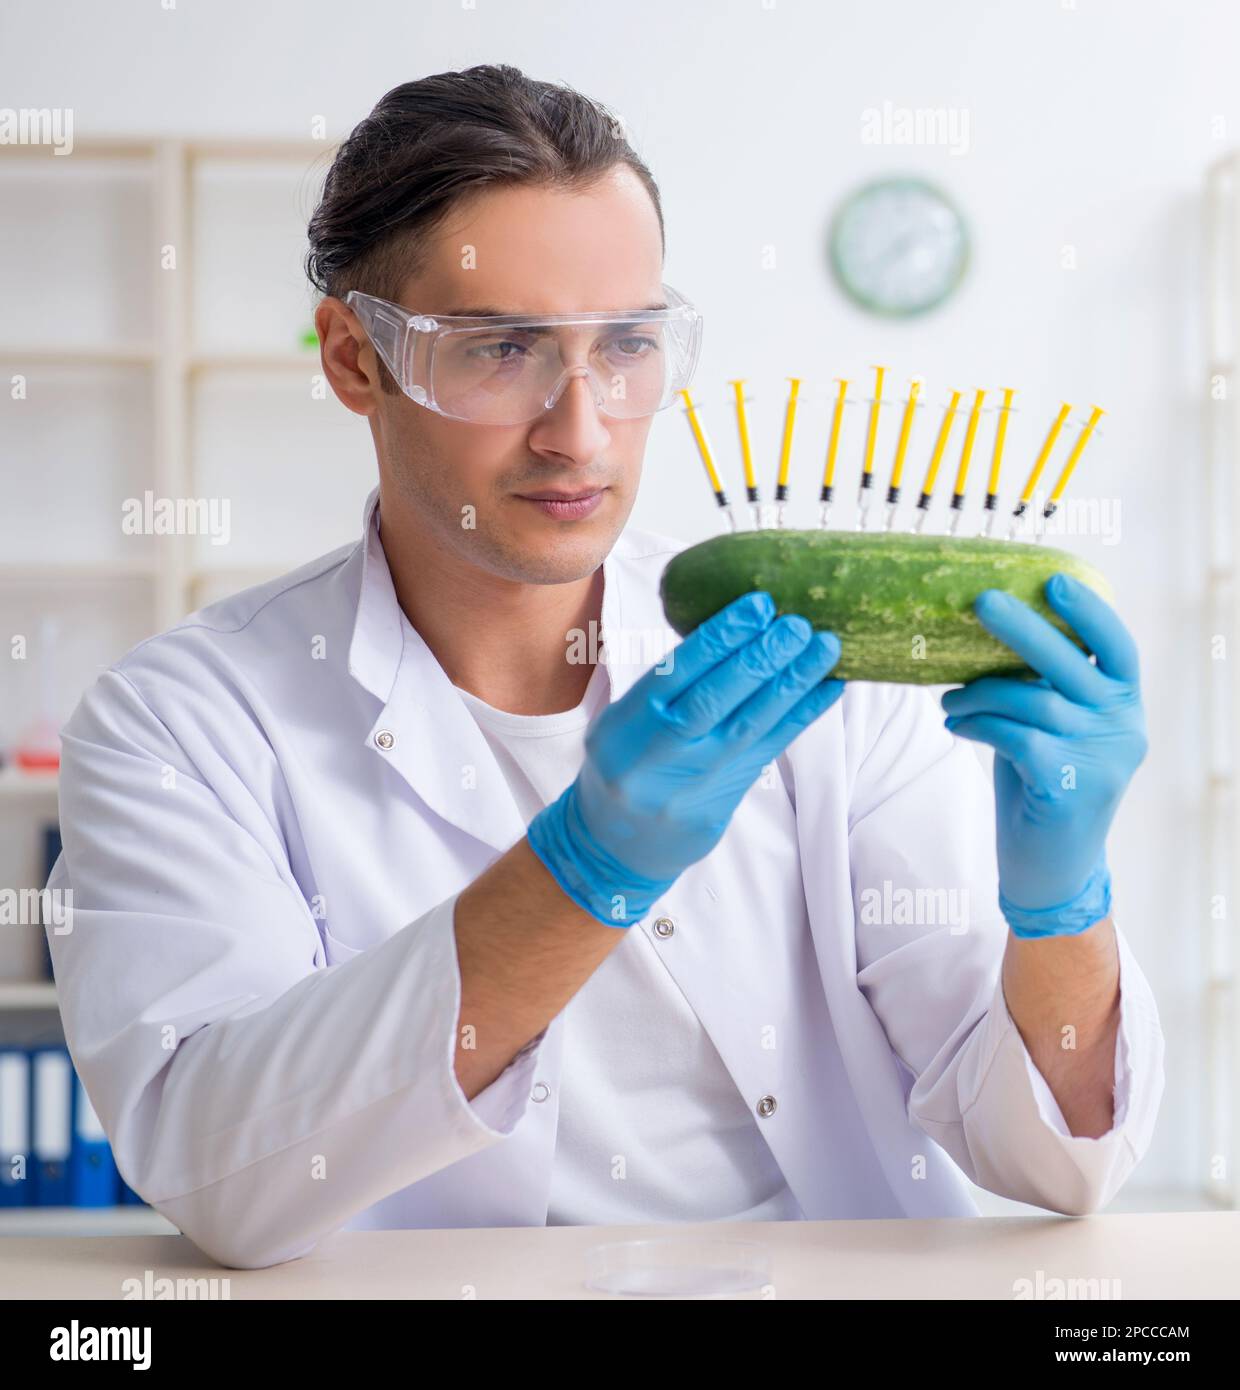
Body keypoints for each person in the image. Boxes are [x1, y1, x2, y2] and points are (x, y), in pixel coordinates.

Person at [46, 65, 1162, 1270]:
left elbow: (1053, 1159)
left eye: (626, 344)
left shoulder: (821, 667)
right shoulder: (180, 723)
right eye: (501, 348)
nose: (580, 429)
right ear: (355, 361)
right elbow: (224, 1174)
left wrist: (1062, 906)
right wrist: (584, 872)